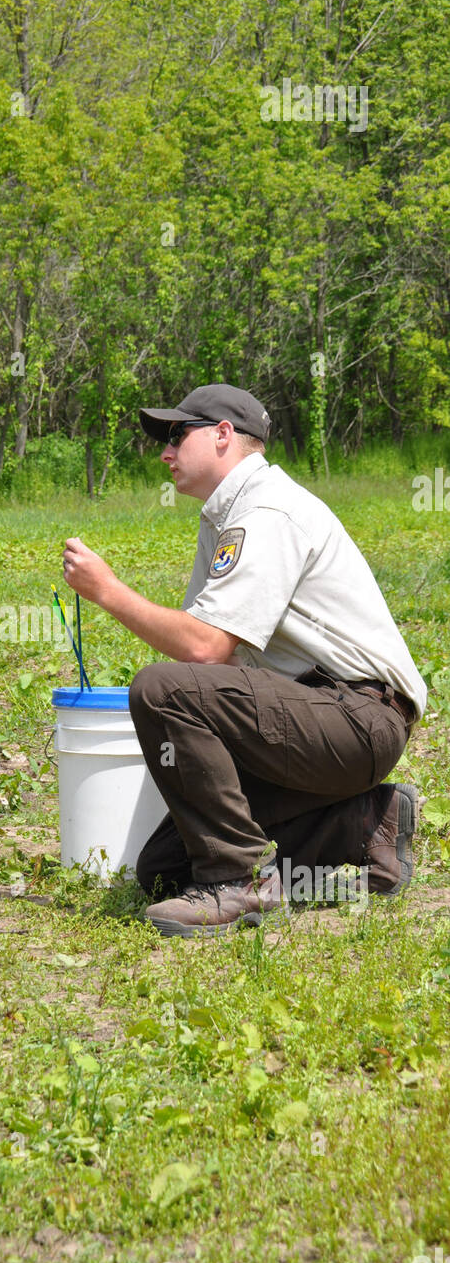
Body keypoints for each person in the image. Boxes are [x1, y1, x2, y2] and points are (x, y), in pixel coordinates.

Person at [62, 383, 426, 938]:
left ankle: (238, 882)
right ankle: (366, 824)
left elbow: (204, 650)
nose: (165, 452)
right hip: (313, 717)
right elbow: (211, 665)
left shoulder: (268, 510)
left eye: (177, 435)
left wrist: (109, 591)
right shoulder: (226, 517)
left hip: (357, 715)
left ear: (224, 435)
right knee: (163, 869)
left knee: (162, 689)